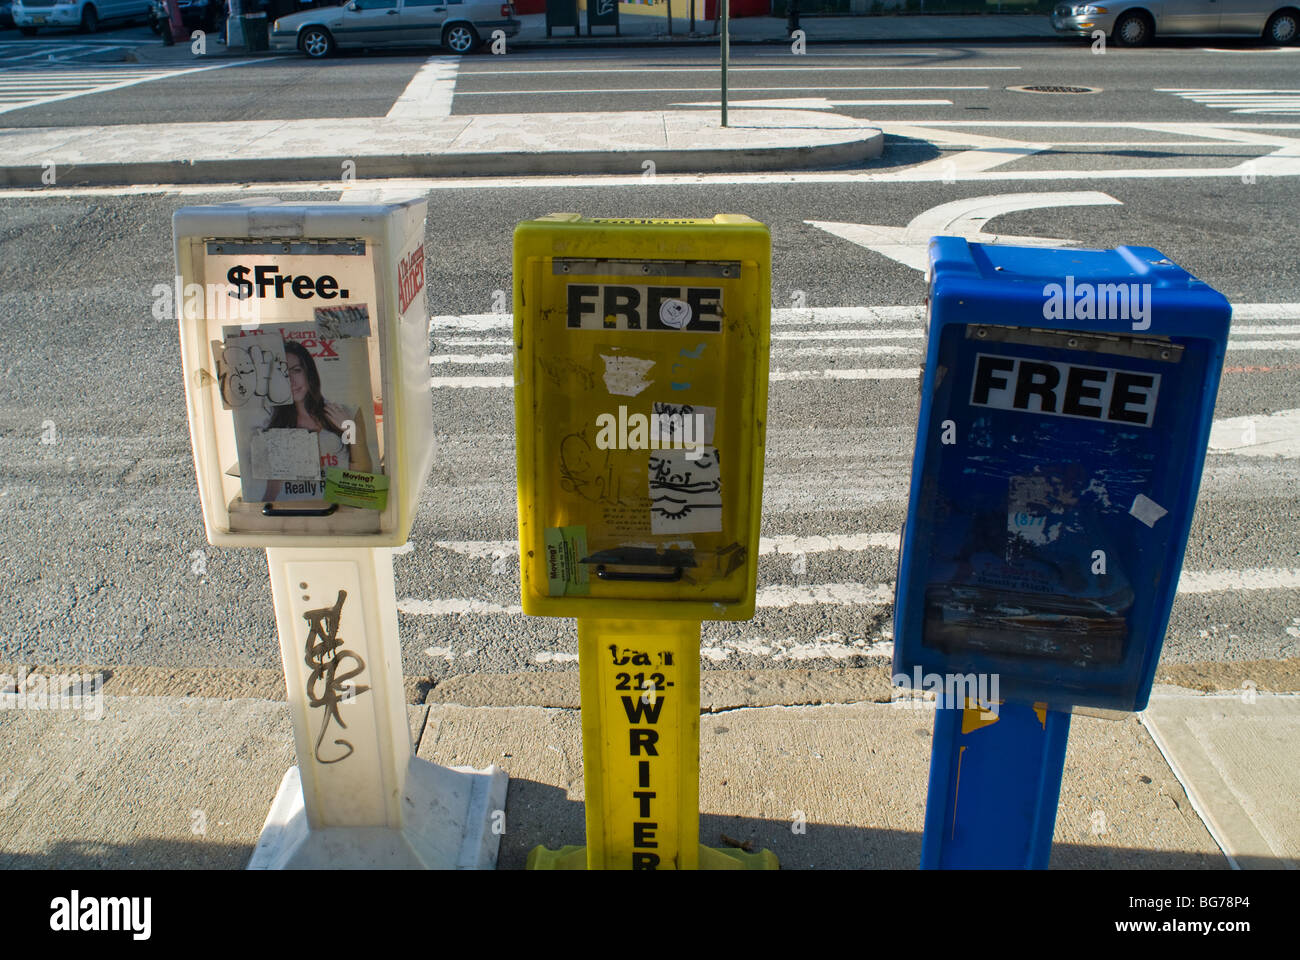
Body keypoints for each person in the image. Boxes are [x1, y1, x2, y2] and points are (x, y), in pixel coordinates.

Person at [263, 339, 372, 502]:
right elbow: (271, 494)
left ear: (309, 372)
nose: (291, 381)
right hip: (299, 513)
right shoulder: (276, 428)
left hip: (342, 509)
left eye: (296, 370)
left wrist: (352, 431)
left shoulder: (346, 412)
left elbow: (364, 482)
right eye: (283, 373)